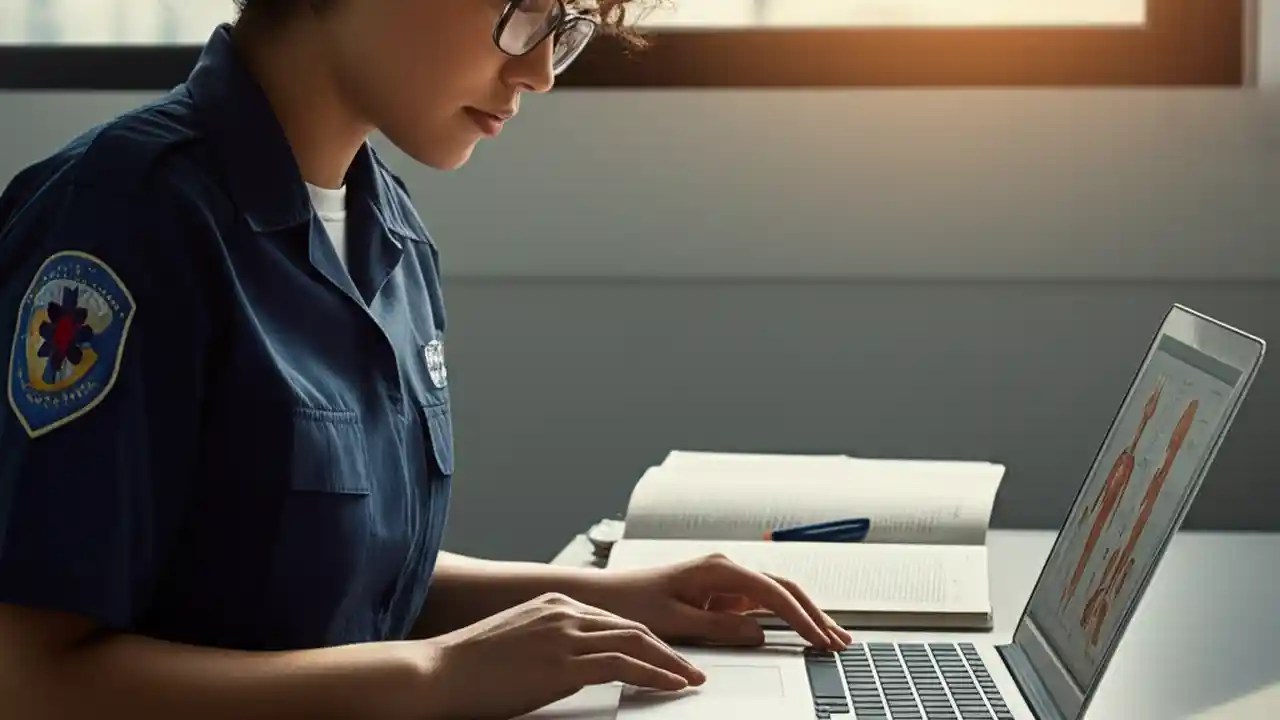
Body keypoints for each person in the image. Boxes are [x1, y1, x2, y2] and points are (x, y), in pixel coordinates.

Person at [0, 2, 852, 719]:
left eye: (567, 28)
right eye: (523, 13)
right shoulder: (118, 225)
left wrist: (619, 595)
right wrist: (435, 675)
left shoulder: (390, 230)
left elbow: (336, 579)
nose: (540, 72)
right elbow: (27, 676)